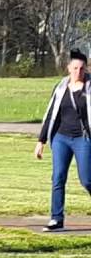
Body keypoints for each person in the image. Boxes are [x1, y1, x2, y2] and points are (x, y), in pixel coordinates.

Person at [35, 49, 91, 232]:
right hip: (61, 138)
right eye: (75, 68)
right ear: (68, 68)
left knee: (87, 180)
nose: (78, 72)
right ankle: (56, 218)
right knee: (58, 177)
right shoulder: (60, 87)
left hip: (83, 138)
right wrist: (41, 141)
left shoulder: (90, 88)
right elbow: (51, 114)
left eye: (82, 69)